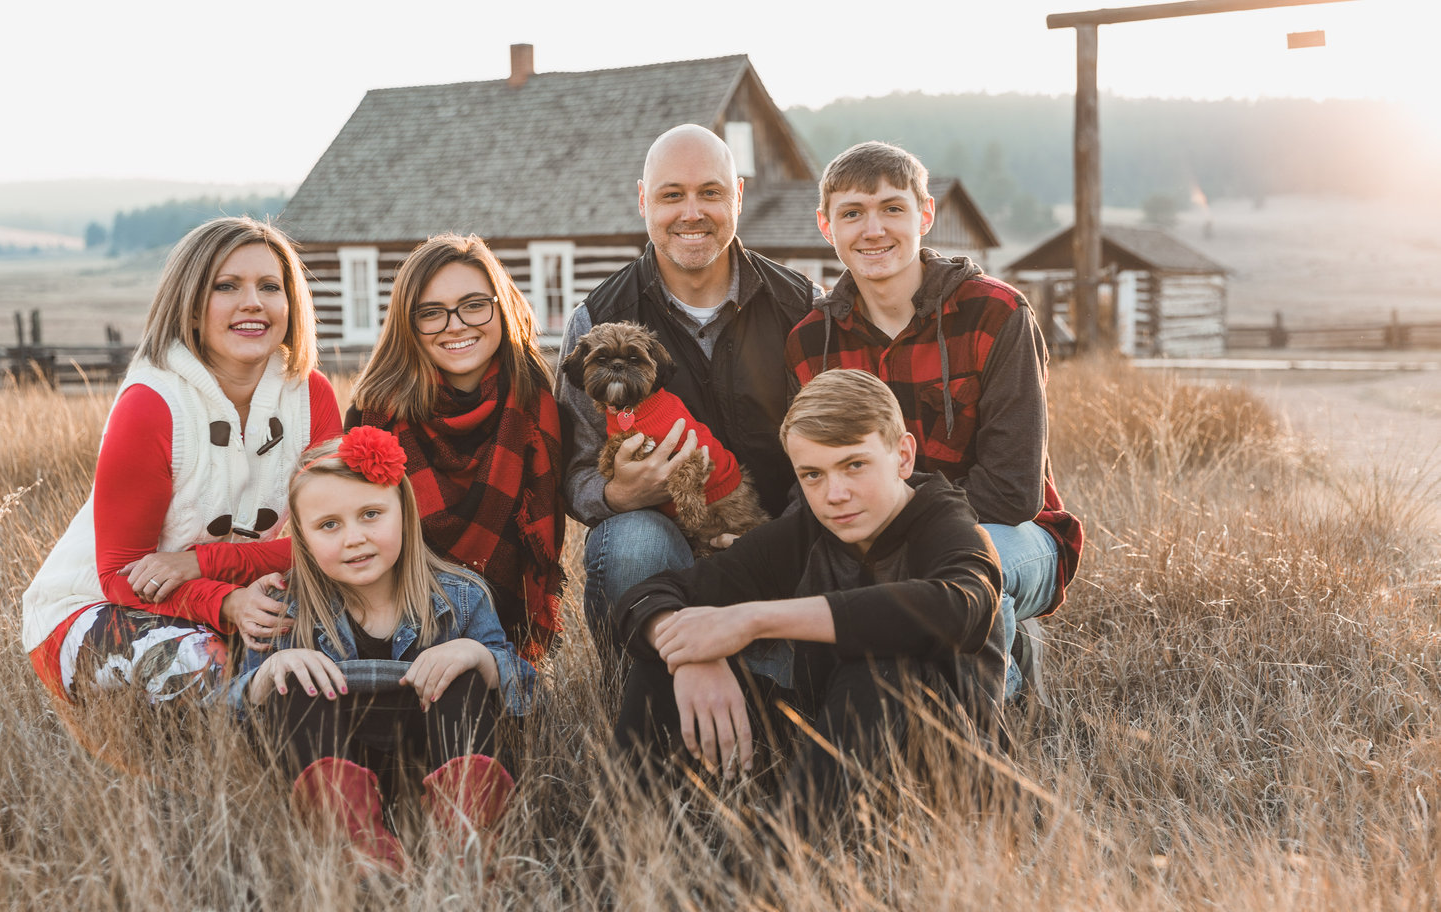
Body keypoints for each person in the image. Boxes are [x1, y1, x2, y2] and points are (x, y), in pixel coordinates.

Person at [612, 369, 1005, 825]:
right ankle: (626, 846)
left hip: (942, 772)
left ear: (902, 456)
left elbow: (960, 608)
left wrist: (751, 620)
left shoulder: (947, 524)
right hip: (829, 752)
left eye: (855, 465)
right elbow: (651, 595)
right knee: (666, 653)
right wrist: (690, 651)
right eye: (812, 475)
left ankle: (777, 865)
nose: (834, 495)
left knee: (884, 665)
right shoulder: (806, 533)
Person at [784, 141, 1083, 701]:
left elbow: (1013, 490)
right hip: (874, 536)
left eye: (892, 209)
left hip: (1016, 534)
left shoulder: (997, 315)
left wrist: (904, 533)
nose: (873, 230)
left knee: (941, 574)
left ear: (925, 215)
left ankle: (1004, 703)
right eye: (852, 214)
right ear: (828, 227)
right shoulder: (811, 343)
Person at [21, 216, 341, 705]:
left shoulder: (311, 395)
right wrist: (226, 602)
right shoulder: (151, 404)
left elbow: (328, 540)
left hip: (231, 594)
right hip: (99, 607)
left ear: (290, 305)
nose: (252, 302)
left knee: (341, 645)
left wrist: (203, 563)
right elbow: (120, 574)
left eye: (270, 286)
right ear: (191, 308)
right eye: (226, 286)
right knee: (210, 665)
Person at [555, 124, 816, 661]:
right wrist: (616, 495)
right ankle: (642, 722)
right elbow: (572, 467)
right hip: (664, 543)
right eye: (672, 195)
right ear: (644, 200)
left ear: (738, 196)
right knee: (633, 541)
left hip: (780, 533)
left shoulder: (801, 307)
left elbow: (833, 449)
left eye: (711, 192)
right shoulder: (594, 321)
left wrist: (771, 541)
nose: (691, 212)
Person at [230, 428, 534, 876]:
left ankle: (469, 843)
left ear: (405, 515)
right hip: (335, 765)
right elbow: (232, 709)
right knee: (291, 677)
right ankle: (360, 853)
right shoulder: (285, 610)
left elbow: (526, 692)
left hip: (433, 756)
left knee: (463, 669)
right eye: (329, 525)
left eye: (371, 514)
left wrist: (478, 656)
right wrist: (268, 670)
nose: (354, 538)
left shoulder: (460, 597)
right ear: (305, 541)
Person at [346, 233, 564, 663]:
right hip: (401, 625)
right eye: (432, 313)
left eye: (474, 305)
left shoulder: (534, 402)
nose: (456, 325)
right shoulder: (374, 414)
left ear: (501, 306)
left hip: (506, 627)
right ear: (409, 325)